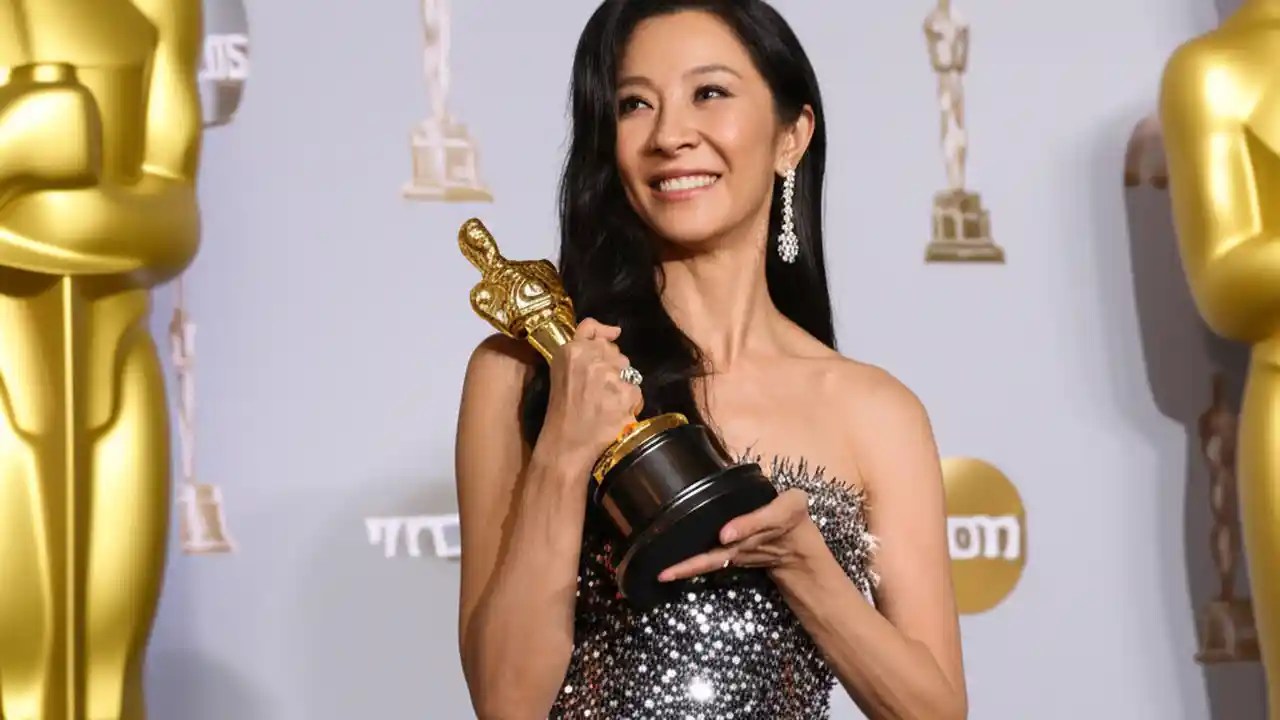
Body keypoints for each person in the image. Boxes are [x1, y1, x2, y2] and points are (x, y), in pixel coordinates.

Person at [453, 1, 967, 718]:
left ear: (792, 136)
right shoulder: (530, 369)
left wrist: (804, 566)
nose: (670, 135)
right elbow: (505, 703)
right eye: (635, 104)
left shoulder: (876, 412)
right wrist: (566, 452)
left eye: (710, 93)